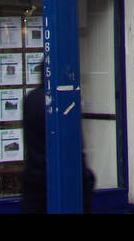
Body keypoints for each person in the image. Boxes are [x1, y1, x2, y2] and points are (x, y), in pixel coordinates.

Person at [21, 85, 96, 213]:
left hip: (34, 182)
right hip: (61, 182)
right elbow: (72, 145)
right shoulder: (63, 100)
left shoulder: (31, 98)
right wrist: (86, 179)